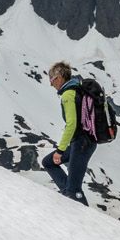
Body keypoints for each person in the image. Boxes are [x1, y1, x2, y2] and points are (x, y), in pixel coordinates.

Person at [44, 62, 95, 205]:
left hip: (81, 143)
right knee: (48, 162)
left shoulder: (68, 94)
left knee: (74, 189)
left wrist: (60, 150)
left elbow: (71, 124)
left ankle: (86, 219)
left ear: (59, 77)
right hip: (84, 142)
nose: (51, 84)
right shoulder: (78, 89)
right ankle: (68, 194)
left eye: (52, 79)